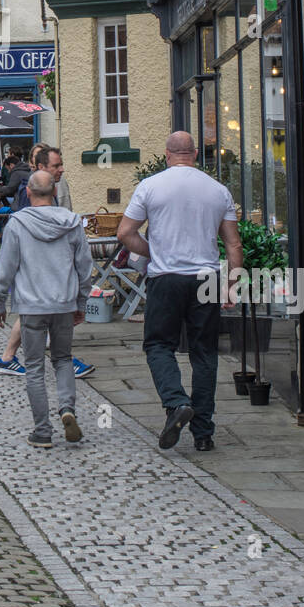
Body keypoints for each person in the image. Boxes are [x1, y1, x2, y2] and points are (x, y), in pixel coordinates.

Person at [116, 130, 243, 452]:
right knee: (204, 354)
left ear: (168, 154)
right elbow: (233, 244)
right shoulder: (218, 190)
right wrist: (231, 285)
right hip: (207, 278)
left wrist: (152, 252)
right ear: (196, 154)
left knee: (159, 345)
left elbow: (125, 233)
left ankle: (175, 403)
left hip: (167, 278)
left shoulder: (150, 186)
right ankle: (204, 434)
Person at [0, 171, 93, 448]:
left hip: (32, 305)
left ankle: (42, 430)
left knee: (35, 367)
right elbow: (85, 268)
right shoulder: (72, 223)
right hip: (63, 303)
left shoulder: (17, 224)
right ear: (54, 192)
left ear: (27, 192)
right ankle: (67, 409)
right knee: (63, 359)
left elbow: (6, 268)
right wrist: (81, 302)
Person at [0, 145, 96, 380]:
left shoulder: (53, 187)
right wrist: (0, 298)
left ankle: (9, 358)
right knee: (40, 316)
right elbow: (21, 239)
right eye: (56, 165)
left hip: (42, 277)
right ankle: (58, 363)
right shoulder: (33, 192)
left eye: (61, 164)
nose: (61, 169)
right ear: (41, 168)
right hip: (40, 268)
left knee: (36, 313)